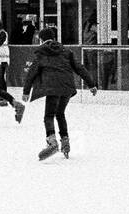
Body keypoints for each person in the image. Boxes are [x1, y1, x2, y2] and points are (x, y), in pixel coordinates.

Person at [22, 26, 97, 160]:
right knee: (60, 114)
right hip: (67, 88)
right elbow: (79, 68)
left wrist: (26, 91)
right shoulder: (65, 51)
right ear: (54, 38)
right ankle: (65, 142)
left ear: (41, 39)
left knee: (49, 116)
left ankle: (52, 142)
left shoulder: (41, 52)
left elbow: (32, 72)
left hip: (52, 88)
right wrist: (91, 84)